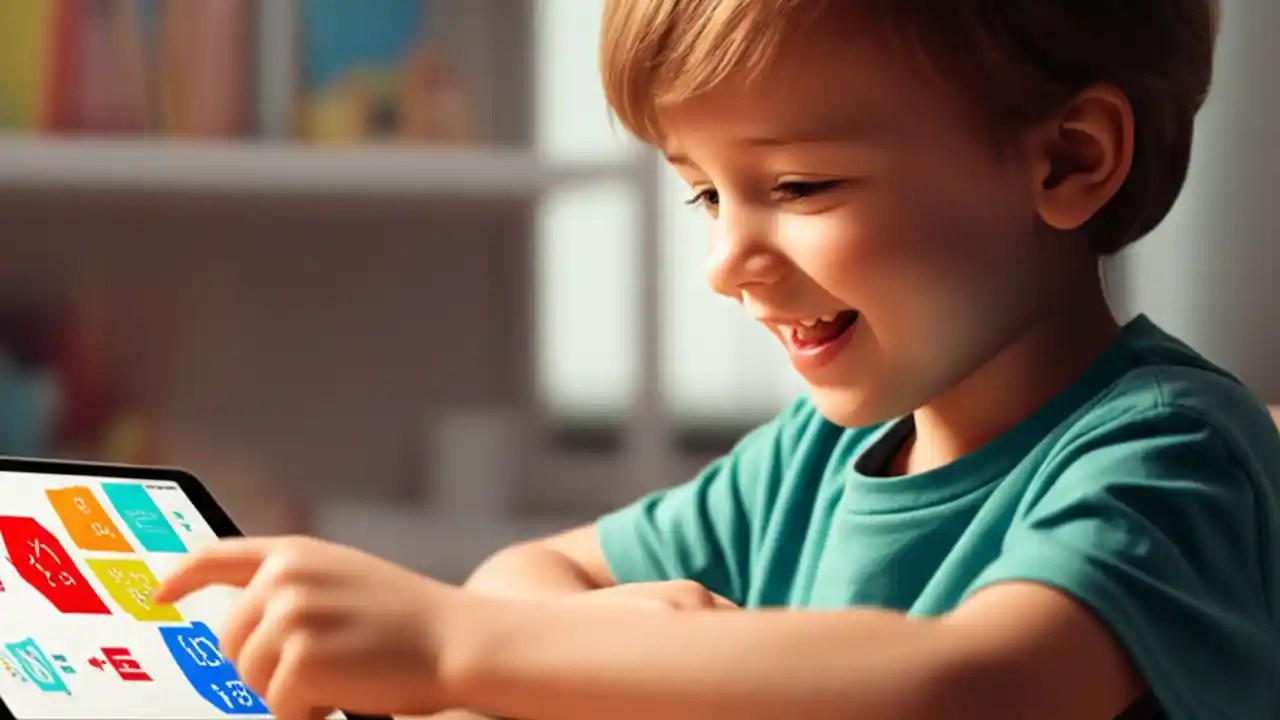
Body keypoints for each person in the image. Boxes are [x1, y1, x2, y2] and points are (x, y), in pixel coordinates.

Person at [154, 2, 1280, 719]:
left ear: (1069, 160)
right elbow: (533, 570)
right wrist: (569, 635)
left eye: (797, 186)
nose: (724, 264)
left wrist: (454, 645)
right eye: (703, 194)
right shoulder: (811, 460)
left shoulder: (1169, 455)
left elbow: (972, 687)